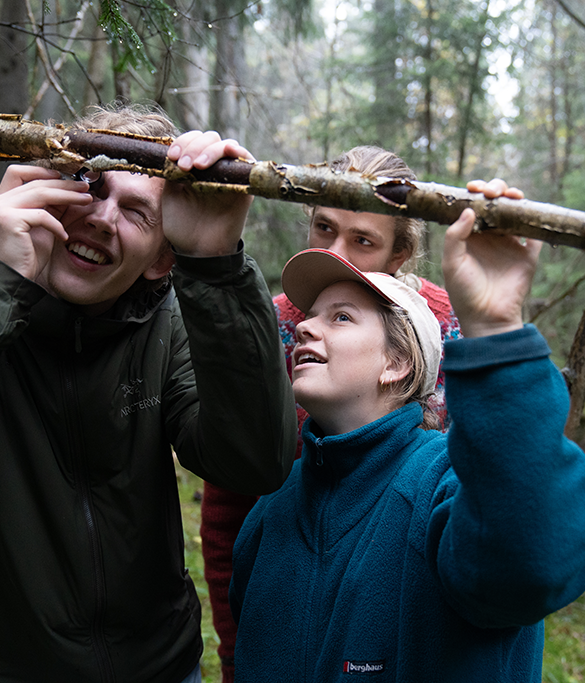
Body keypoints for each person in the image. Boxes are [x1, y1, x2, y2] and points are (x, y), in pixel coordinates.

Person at [0, 104, 295, 683]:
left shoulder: (169, 327)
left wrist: (214, 266)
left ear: (160, 260)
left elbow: (252, 462)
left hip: (162, 670)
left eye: (137, 213)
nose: (103, 218)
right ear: (39, 188)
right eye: (90, 186)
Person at [228, 195, 585, 682]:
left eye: (341, 317)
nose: (303, 328)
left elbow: (531, 566)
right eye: (310, 315)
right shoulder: (271, 511)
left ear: (397, 363)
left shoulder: (447, 488)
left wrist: (495, 331)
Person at [199, 146, 491, 682]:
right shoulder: (278, 326)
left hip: (404, 583)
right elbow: (230, 503)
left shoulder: (451, 330)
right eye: (324, 228)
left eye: (363, 240)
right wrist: (238, 650)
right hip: (290, 572)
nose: (338, 252)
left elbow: (487, 497)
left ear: (400, 254)